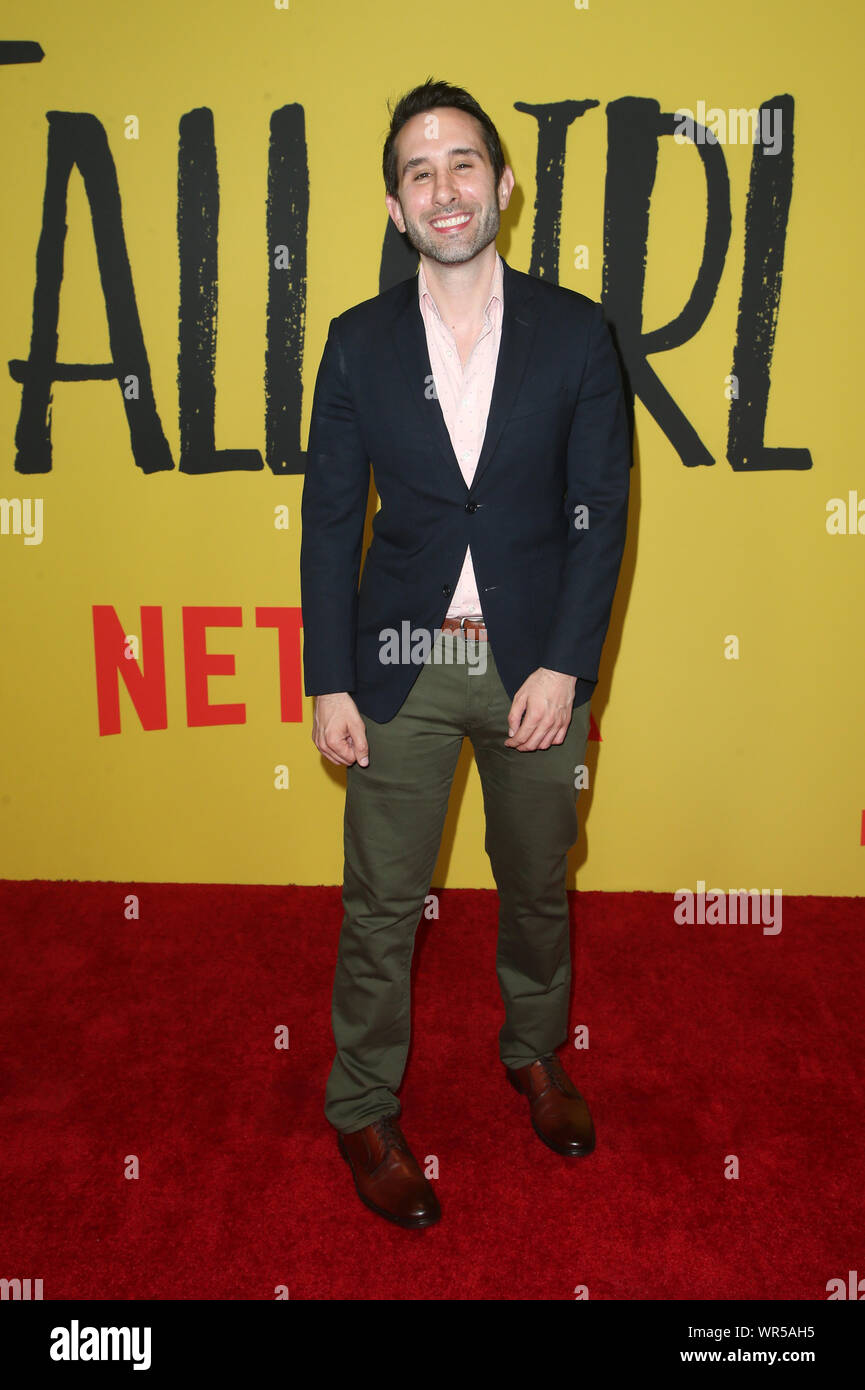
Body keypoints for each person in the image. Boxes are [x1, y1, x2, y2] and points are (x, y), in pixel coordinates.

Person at [300, 78, 631, 1230]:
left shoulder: (578, 330)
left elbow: (601, 506)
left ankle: (534, 1052)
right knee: (382, 903)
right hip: (396, 659)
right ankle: (360, 1105)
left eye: (464, 164)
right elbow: (331, 518)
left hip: (533, 660)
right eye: (419, 171)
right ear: (396, 207)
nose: (446, 189)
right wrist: (329, 676)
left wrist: (564, 666)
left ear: (503, 183)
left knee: (538, 882)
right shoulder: (356, 344)